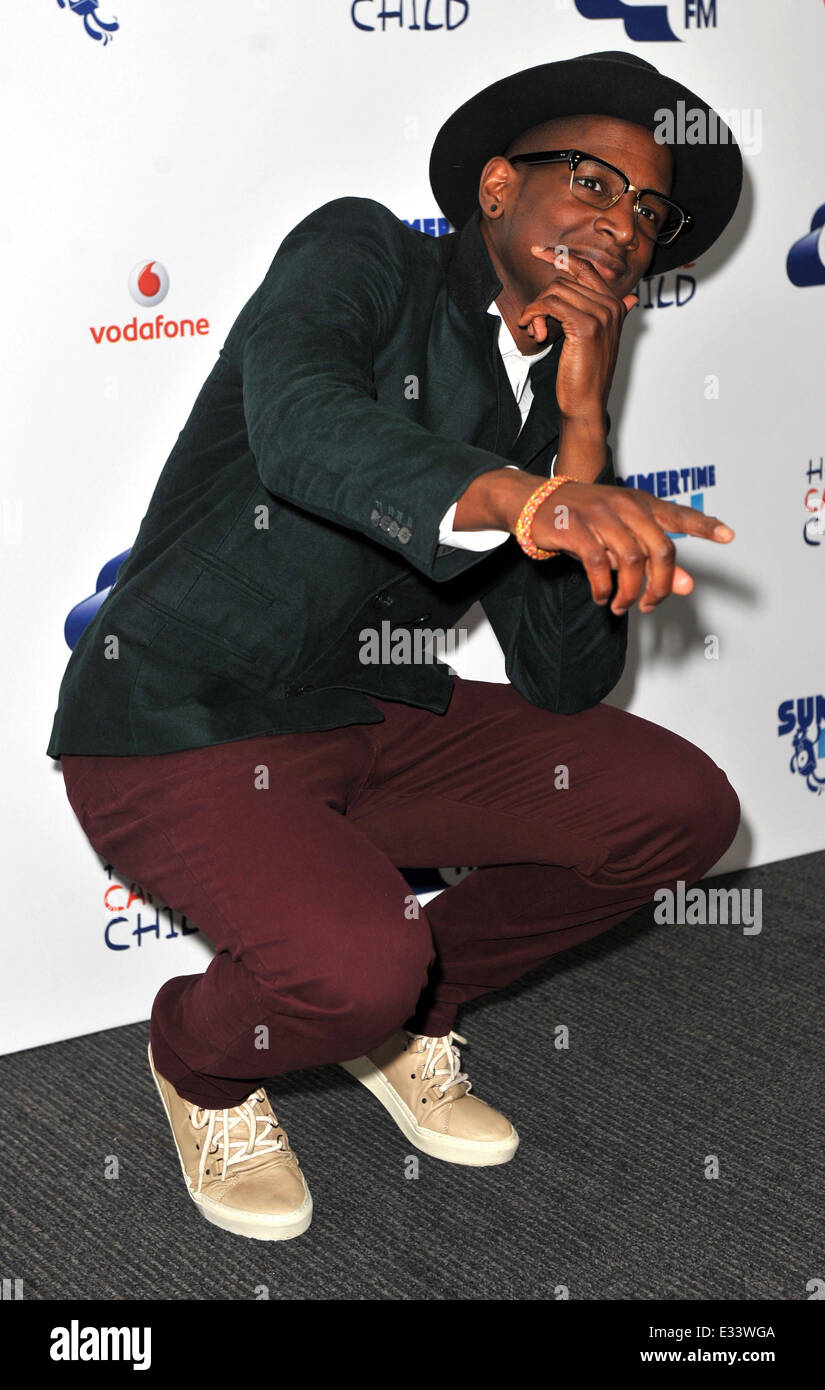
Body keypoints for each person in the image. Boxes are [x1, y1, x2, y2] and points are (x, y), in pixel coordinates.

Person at [48, 51, 743, 1242]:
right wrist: (523, 500)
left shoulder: (547, 410)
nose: (622, 222)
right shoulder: (364, 252)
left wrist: (579, 434)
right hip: (182, 709)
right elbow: (306, 429)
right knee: (352, 958)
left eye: (647, 209)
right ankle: (202, 1064)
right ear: (492, 186)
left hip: (373, 721)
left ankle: (417, 1010)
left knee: (677, 805)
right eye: (590, 177)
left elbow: (566, 677)